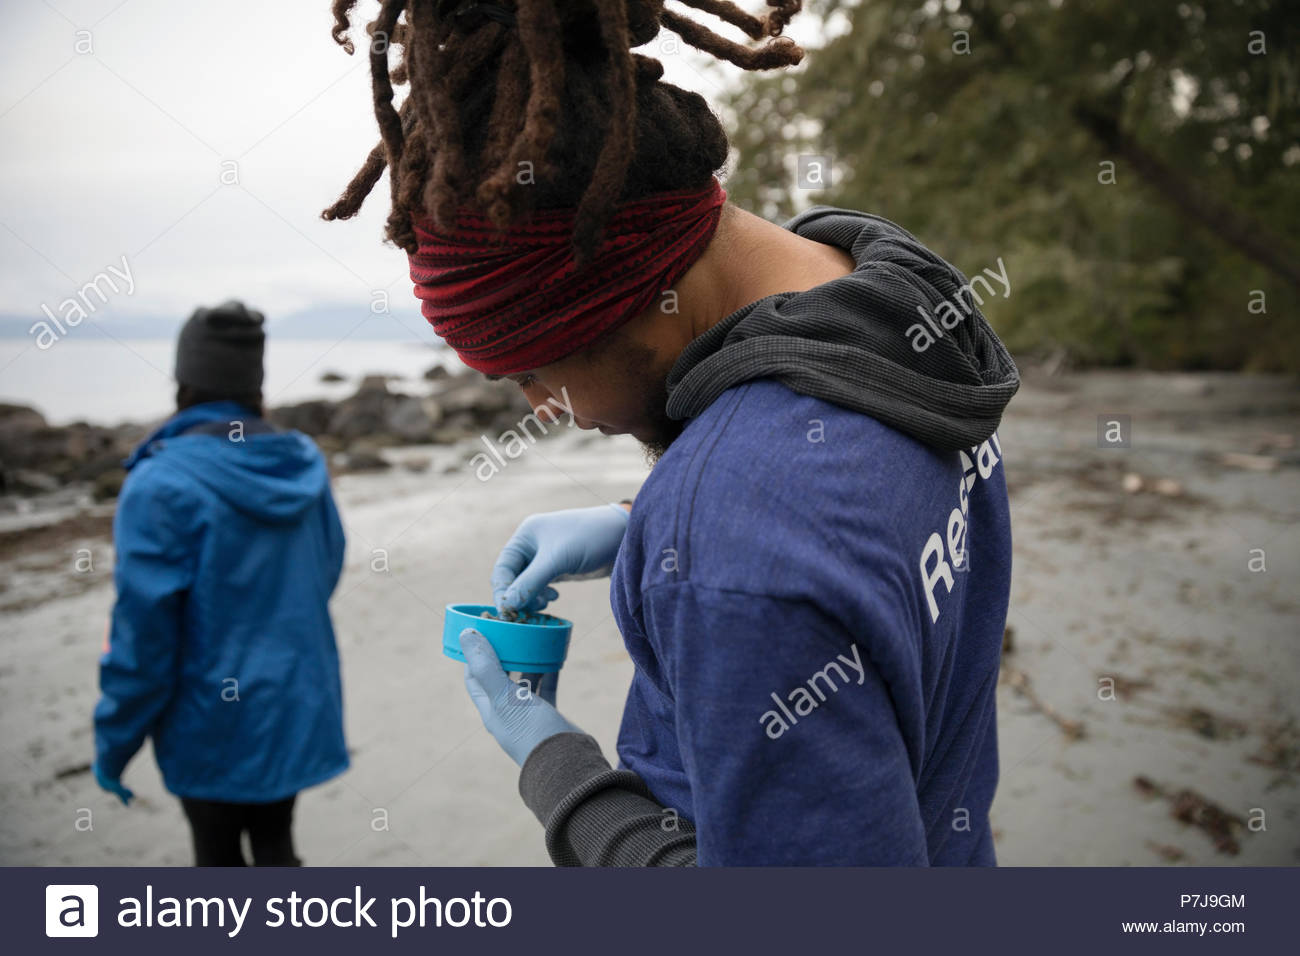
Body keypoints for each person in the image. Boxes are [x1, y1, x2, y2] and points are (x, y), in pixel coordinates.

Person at [324, 1, 1018, 865]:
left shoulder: (733, 545)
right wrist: (647, 522)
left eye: (530, 371)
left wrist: (560, 770)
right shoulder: (892, 309)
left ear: (625, 301)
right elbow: (857, 529)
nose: (543, 407)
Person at [92, 300, 349, 866]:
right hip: (291, 704)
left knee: (215, 858)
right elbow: (323, 571)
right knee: (278, 843)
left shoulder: (159, 485)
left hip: (208, 720)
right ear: (253, 383)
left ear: (184, 380)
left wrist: (114, 744)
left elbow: (142, 643)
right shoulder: (302, 465)